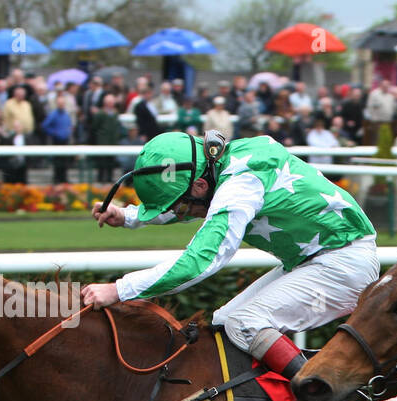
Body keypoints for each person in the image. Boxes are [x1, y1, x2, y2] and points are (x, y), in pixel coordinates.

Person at [81, 131, 379, 382]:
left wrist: (118, 290)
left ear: (200, 185)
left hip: (343, 265)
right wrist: (129, 215)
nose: (182, 214)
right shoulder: (226, 166)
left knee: (245, 323)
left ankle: (326, 395)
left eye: (179, 207)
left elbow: (200, 261)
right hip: (319, 259)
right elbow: (197, 204)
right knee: (225, 324)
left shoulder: (240, 186)